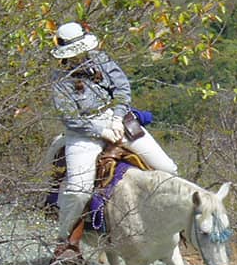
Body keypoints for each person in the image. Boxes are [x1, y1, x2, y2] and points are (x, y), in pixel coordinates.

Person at [48, 21, 178, 248]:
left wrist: (117, 117)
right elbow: (69, 117)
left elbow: (122, 89)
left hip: (118, 122)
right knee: (79, 191)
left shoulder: (101, 60)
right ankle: (65, 239)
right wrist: (101, 131)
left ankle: (169, 223)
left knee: (168, 169)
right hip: (83, 134)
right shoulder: (59, 79)